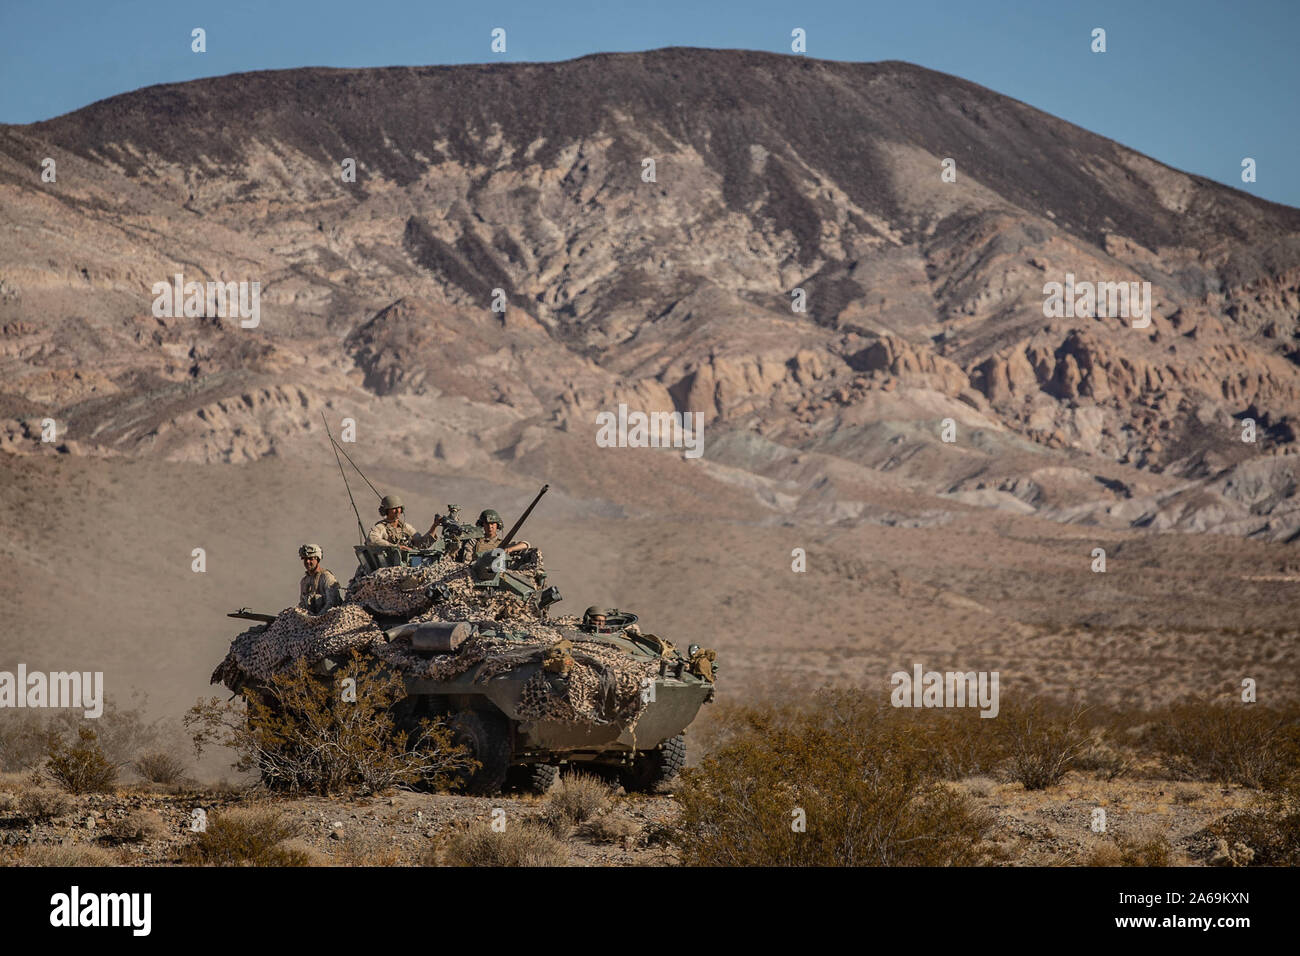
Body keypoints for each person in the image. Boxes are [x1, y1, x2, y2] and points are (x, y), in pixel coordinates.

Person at [367, 494, 440, 550]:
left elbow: (422, 543)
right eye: (393, 508)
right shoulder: (380, 527)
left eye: (399, 508)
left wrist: (434, 526)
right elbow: (372, 540)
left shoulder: (406, 527)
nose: (397, 511)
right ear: (386, 511)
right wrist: (396, 547)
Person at [459, 508, 531, 561]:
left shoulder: (503, 543)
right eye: (487, 524)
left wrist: (510, 549)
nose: (490, 527)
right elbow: (467, 561)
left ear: (498, 525)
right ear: (482, 525)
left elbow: (525, 544)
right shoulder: (474, 542)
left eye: (492, 524)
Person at [298, 544, 342, 615]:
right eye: (305, 559)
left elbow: (332, 603)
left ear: (317, 559)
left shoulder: (326, 577)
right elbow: (302, 605)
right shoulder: (304, 581)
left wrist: (318, 618)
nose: (307, 562)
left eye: (311, 559)